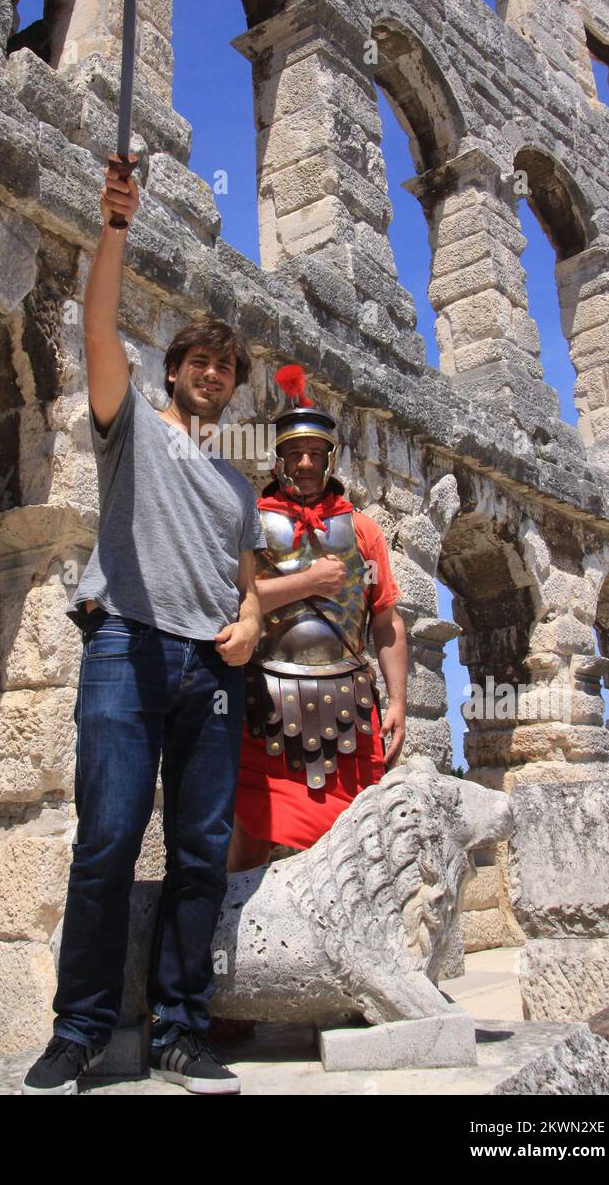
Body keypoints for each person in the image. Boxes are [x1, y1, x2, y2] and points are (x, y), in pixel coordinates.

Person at [22, 155, 265, 1095]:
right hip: (126, 641)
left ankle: (178, 1028)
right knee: (110, 836)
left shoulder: (239, 485)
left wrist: (247, 620)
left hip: (211, 668)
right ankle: (80, 1029)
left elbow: (244, 578)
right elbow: (95, 326)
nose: (211, 374)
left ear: (233, 388)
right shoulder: (135, 427)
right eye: (198, 361)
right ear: (175, 373)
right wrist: (115, 225)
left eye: (224, 367)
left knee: (201, 849)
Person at [227, 363, 408, 871]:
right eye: (293, 452)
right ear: (279, 458)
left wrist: (397, 700)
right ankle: (233, 943)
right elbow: (229, 600)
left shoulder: (365, 531)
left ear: (330, 459)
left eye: (314, 453)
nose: (304, 462)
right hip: (263, 699)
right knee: (251, 838)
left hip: (348, 701)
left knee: (355, 847)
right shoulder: (251, 521)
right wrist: (306, 584)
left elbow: (385, 621)